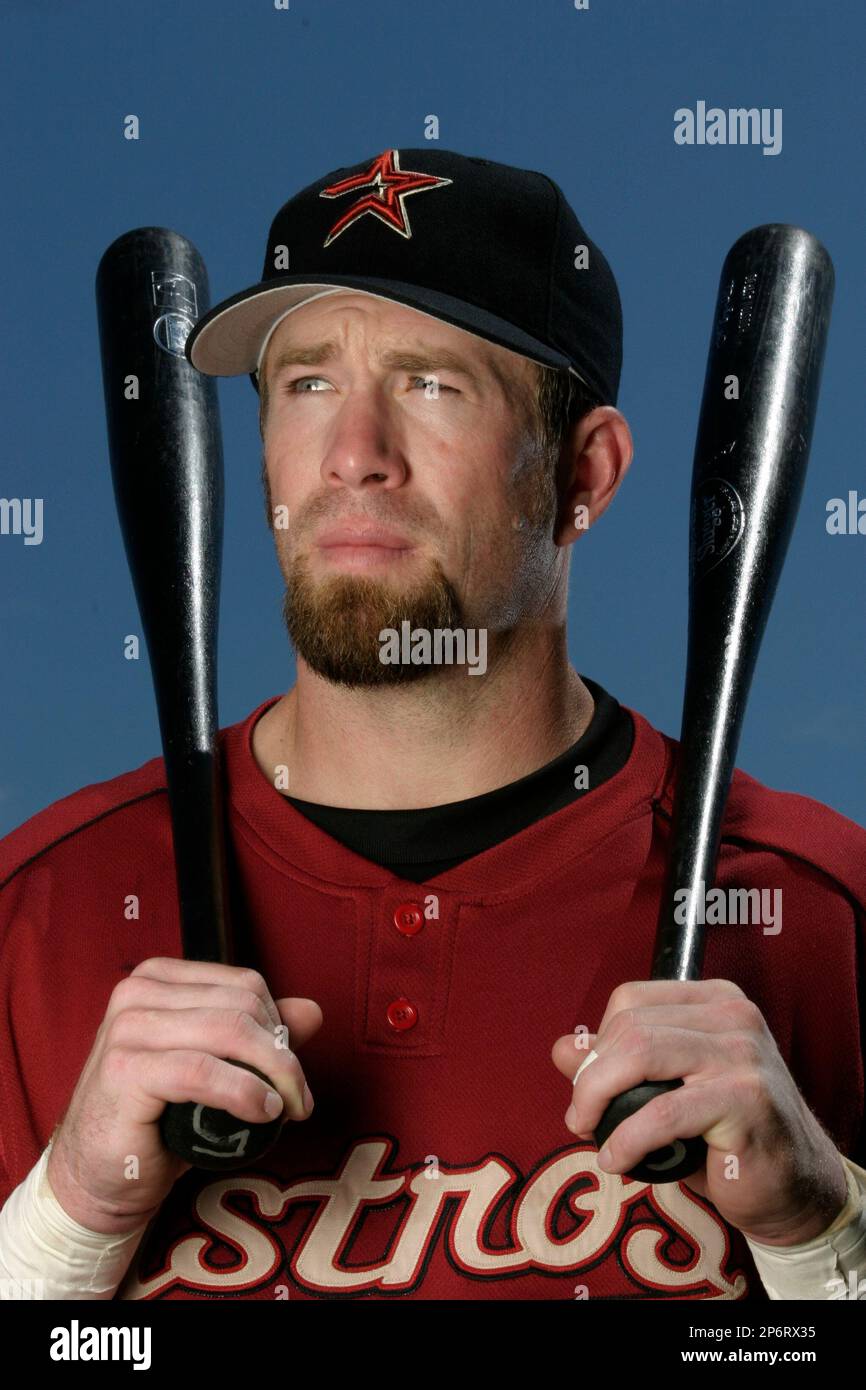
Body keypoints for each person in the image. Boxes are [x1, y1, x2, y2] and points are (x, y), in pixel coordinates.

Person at [1, 147, 864, 1303]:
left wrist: (818, 1226)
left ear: (584, 473)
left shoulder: (821, 909)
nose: (352, 454)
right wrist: (71, 1217)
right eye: (304, 382)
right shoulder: (42, 908)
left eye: (430, 383)